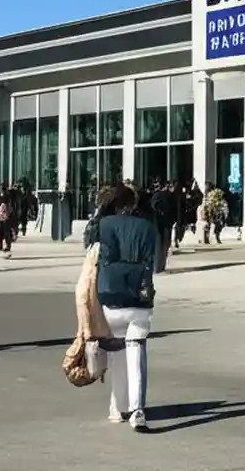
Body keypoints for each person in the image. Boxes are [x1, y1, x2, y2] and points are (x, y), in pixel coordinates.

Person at [95, 184, 159, 432]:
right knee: (136, 351)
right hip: (139, 298)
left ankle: (116, 407)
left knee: (117, 356)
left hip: (111, 297)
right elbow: (153, 262)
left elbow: (97, 255)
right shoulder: (147, 228)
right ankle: (137, 409)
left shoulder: (105, 225)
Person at [151, 181, 175, 272]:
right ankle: (159, 266)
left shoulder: (158, 195)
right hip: (163, 223)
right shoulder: (166, 196)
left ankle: (159, 266)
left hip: (162, 223)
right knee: (163, 245)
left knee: (161, 245)